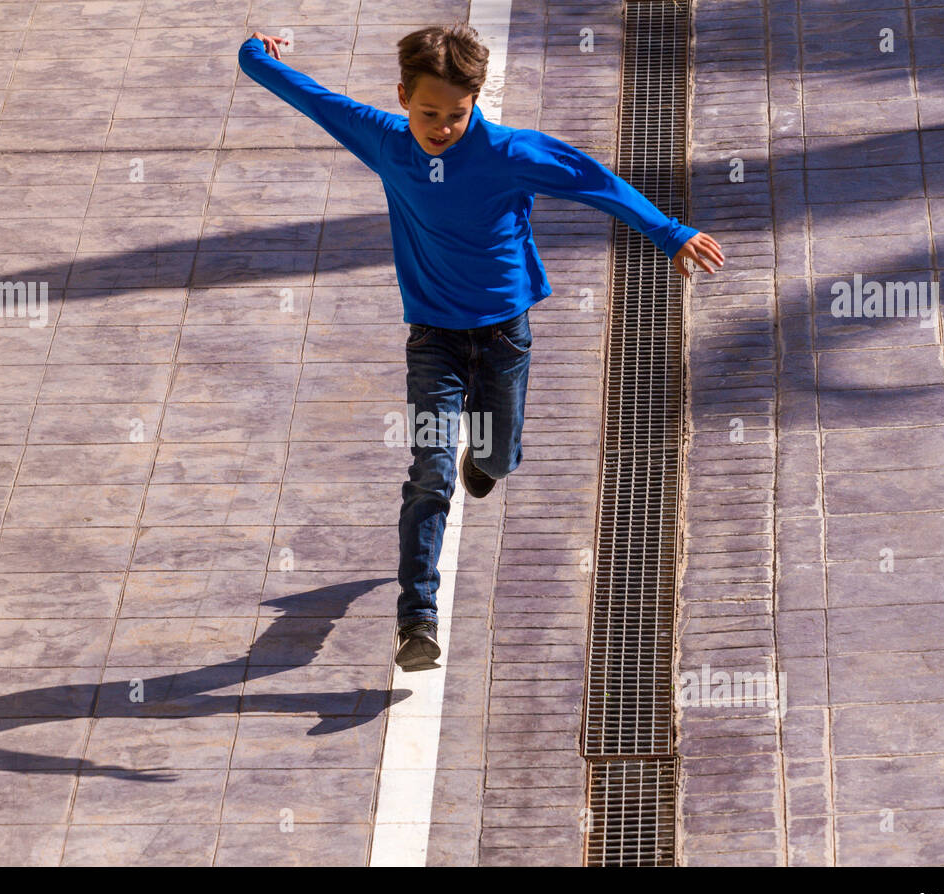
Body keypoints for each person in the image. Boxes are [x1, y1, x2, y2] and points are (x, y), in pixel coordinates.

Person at [238, 23, 724, 671]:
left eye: (456, 115)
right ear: (403, 95)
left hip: (501, 337)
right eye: (428, 112)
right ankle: (417, 618)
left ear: (477, 103)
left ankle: (487, 464)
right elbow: (307, 94)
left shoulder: (508, 152)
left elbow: (595, 181)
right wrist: (255, 50)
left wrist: (669, 233)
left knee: (496, 458)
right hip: (434, 339)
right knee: (429, 474)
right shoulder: (384, 140)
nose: (440, 127)